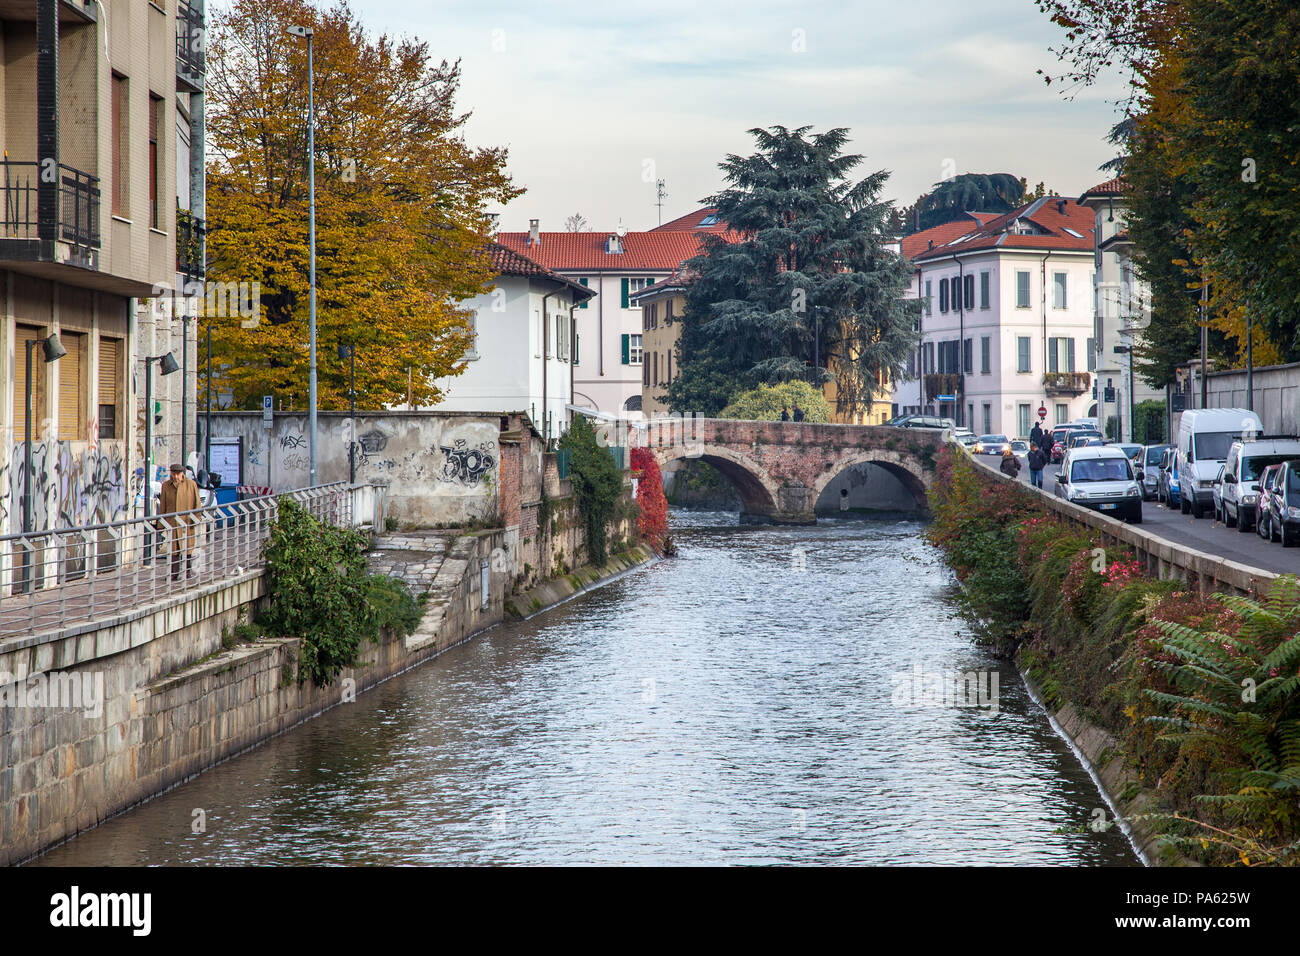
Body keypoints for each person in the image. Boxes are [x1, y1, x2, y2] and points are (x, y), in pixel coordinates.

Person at [159, 463, 201, 581]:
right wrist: (161, 524)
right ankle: (174, 573)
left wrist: (196, 519)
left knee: (188, 548)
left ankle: (187, 572)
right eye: (173, 474)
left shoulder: (191, 485)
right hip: (172, 523)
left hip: (187, 522)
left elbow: (197, 504)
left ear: (182, 474)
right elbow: (163, 505)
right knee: (174, 549)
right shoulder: (166, 486)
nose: (175, 477)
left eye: (177, 474)